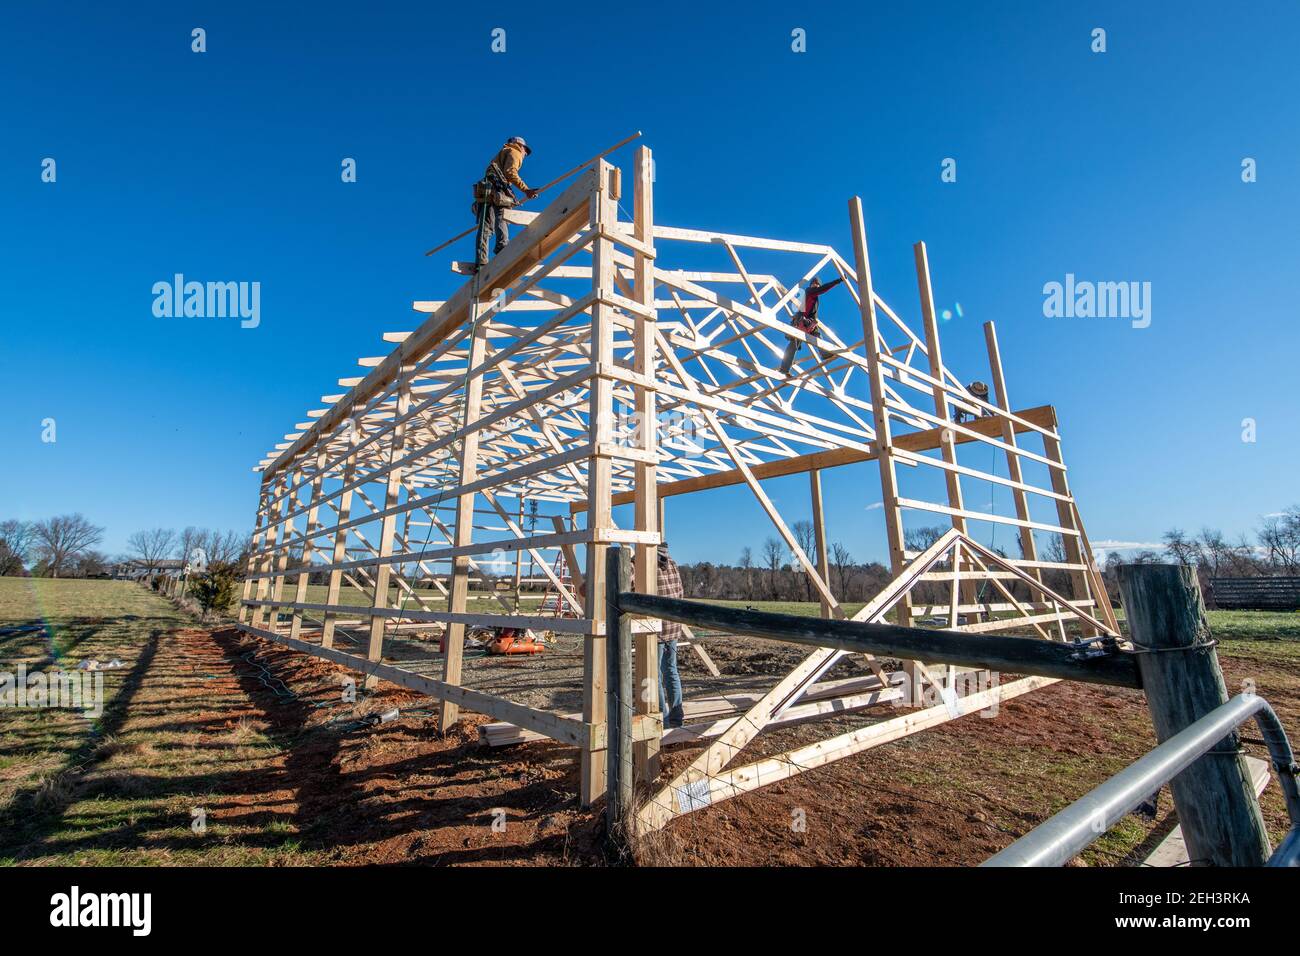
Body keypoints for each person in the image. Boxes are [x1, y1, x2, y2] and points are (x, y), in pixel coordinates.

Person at [473, 136, 540, 272]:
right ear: (519, 145)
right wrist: (526, 190)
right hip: (497, 190)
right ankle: (502, 248)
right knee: (503, 216)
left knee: (485, 228)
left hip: (487, 191)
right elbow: (510, 172)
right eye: (525, 150)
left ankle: (481, 261)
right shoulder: (514, 151)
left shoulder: (500, 155)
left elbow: (503, 174)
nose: (525, 154)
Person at [778, 275, 843, 375]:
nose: (816, 285)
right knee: (794, 344)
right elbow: (823, 289)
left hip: (808, 323)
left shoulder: (814, 297)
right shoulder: (809, 291)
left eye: (817, 284)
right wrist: (837, 281)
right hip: (802, 322)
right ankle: (784, 369)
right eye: (814, 283)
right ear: (812, 284)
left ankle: (824, 353)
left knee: (816, 336)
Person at [654, 543, 686, 729]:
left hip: (657, 627)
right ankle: (676, 717)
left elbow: (629, 581)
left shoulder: (645, 563)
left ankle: (662, 718)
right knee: (671, 670)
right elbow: (680, 592)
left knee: (654, 674)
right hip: (673, 625)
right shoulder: (672, 563)